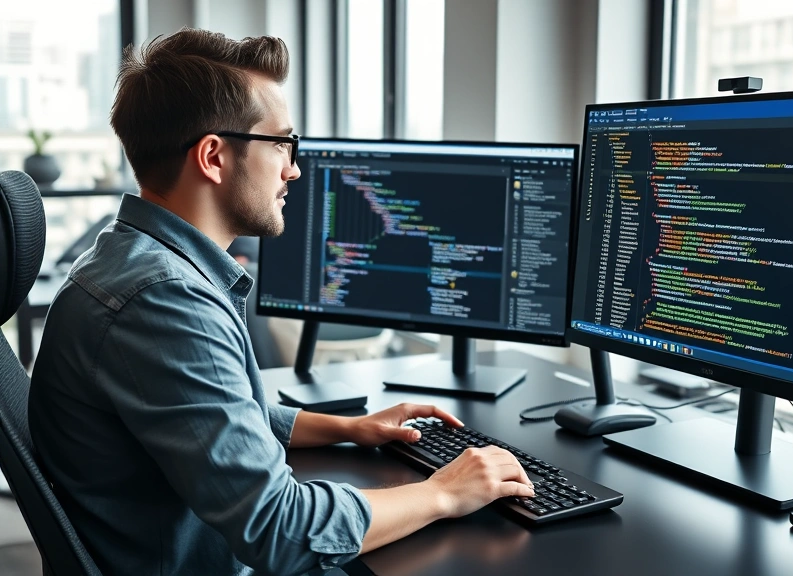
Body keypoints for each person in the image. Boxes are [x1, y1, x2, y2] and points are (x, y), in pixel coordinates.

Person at [28, 28, 534, 576]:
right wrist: (444, 492)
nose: (294, 167)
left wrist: (346, 427)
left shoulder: (129, 257)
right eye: (281, 144)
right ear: (214, 157)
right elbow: (281, 529)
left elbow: (215, 412)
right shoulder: (164, 300)